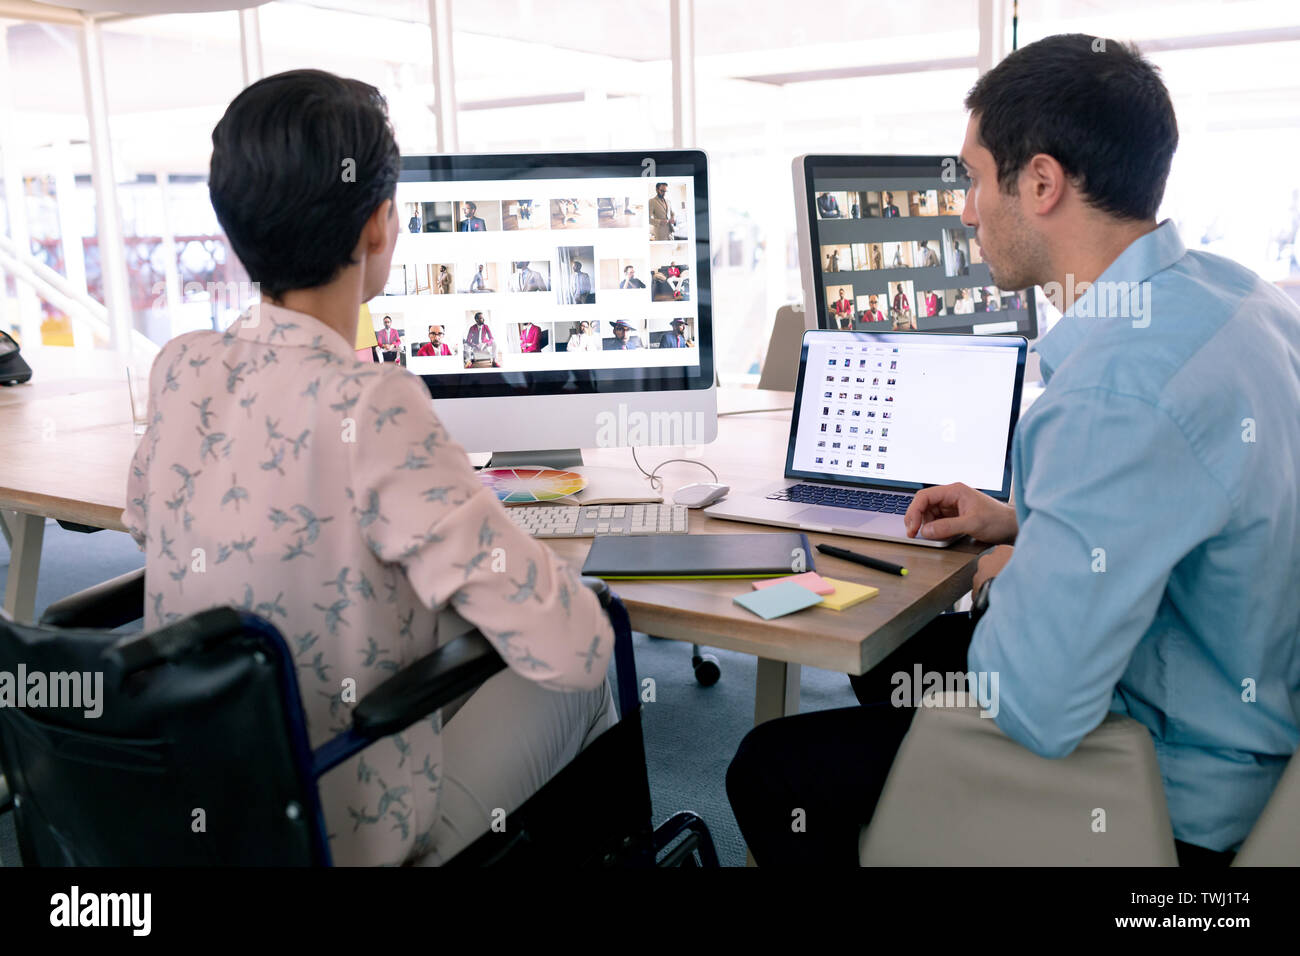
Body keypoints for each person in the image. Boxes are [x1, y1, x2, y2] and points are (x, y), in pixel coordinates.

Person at [726, 33, 1300, 869]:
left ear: (1040, 182)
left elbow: (1030, 705)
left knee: (771, 770)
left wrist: (1011, 586)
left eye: (973, 177)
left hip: (1174, 800)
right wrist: (1023, 521)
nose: (964, 210)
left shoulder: (1112, 391)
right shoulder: (1242, 297)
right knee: (900, 656)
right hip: (1254, 719)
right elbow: (1194, 494)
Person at [124, 69, 615, 869]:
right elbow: (570, 646)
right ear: (380, 226)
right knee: (591, 649)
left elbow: (152, 525)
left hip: (195, 812)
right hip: (344, 837)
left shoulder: (177, 368)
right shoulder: (374, 402)